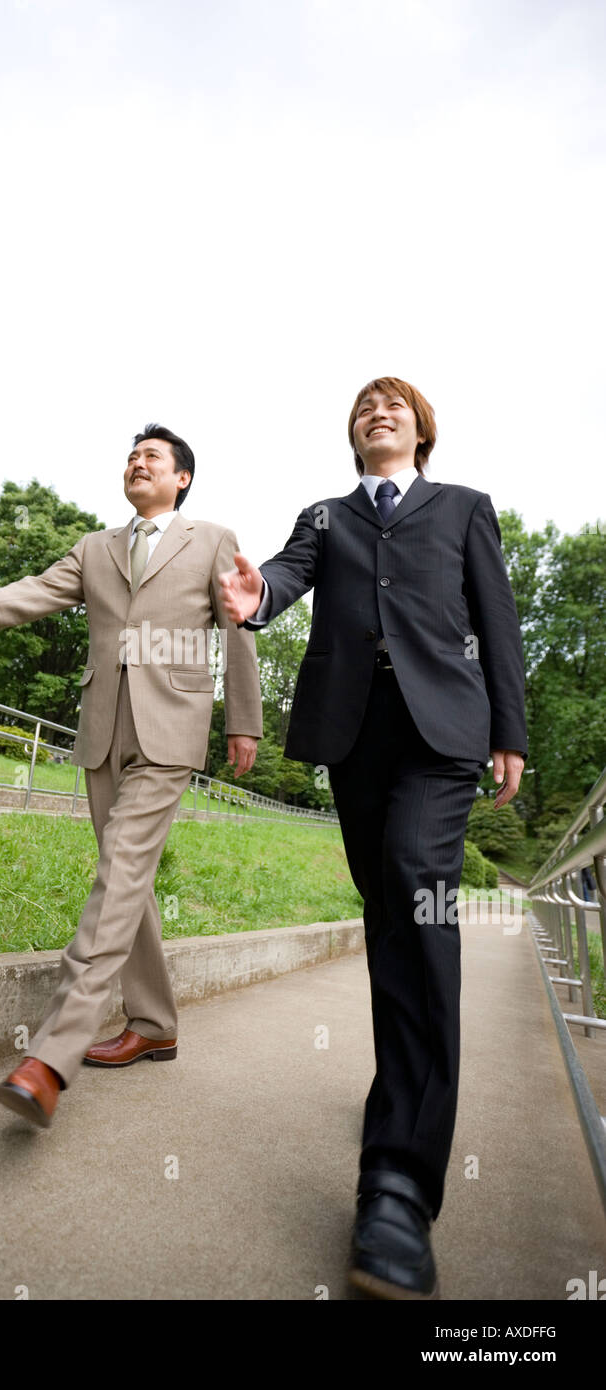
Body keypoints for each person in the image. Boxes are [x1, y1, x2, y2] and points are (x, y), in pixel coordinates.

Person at [218, 377, 527, 1300]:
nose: (377, 415)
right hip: (354, 736)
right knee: (388, 912)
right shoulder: (327, 515)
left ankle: (398, 1182)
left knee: (416, 885)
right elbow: (280, 574)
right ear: (353, 436)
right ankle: (399, 1097)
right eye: (364, 408)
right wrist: (254, 593)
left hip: (443, 736)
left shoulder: (465, 509)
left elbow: (498, 622)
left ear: (421, 431)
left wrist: (510, 727)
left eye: (393, 407)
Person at [0, 425, 262, 1130]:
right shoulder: (96, 548)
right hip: (102, 728)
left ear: (183, 480)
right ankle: (154, 1023)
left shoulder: (211, 539)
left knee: (117, 873)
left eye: (154, 458)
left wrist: (245, 720)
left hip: (170, 726)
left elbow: (238, 630)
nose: (137, 463)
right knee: (127, 879)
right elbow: (38, 591)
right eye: (131, 457)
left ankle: (51, 1056)